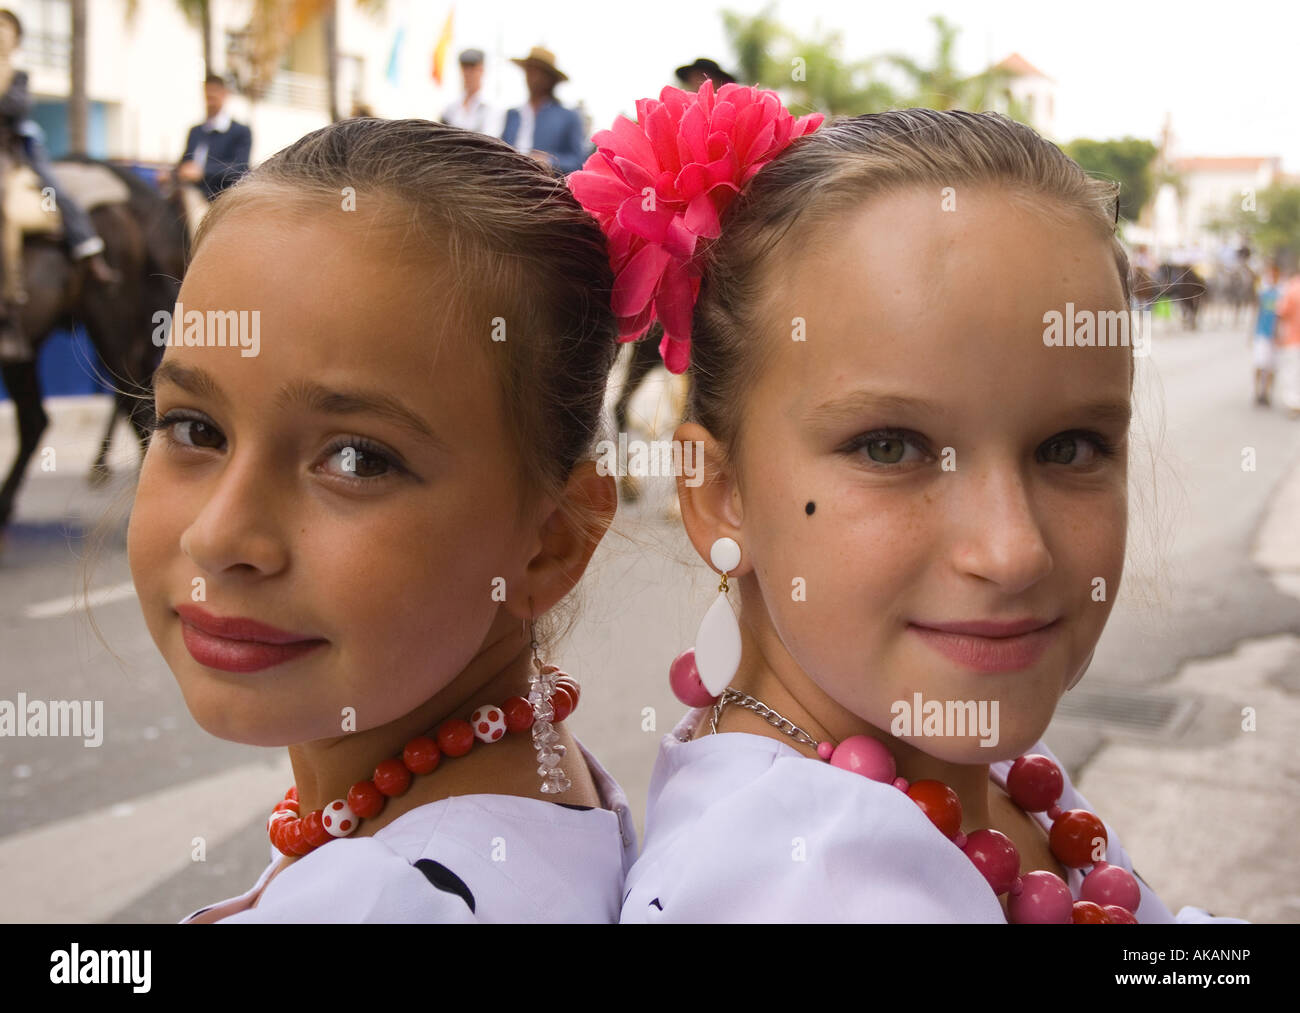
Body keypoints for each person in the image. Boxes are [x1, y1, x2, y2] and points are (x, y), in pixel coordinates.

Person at [570, 86, 1248, 923]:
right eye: (891, 446)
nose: (1012, 552)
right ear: (720, 495)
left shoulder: (952, 755)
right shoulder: (809, 882)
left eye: (1069, 446)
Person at [124, 118, 633, 921]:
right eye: (195, 429)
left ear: (552, 541)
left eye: (357, 459)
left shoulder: (384, 900)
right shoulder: (548, 809)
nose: (218, 537)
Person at [0, 7, 116, 360]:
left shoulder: (16, 76)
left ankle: (83, 245)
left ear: (16, 41)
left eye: (5, 30)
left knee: (41, 196)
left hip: (13, 156)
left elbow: (13, 109)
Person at [501, 47, 588, 173]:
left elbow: (578, 162)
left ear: (549, 79)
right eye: (529, 70)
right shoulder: (513, 115)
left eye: (537, 71)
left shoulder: (568, 117)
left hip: (546, 187)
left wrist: (548, 161)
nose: (531, 76)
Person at [173, 73, 252, 201]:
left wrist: (204, 171)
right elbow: (184, 162)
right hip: (189, 192)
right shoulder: (195, 131)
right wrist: (172, 173)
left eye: (213, 97)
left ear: (224, 95)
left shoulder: (240, 131)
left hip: (219, 198)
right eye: (207, 97)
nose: (210, 102)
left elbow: (240, 167)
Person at [440, 48, 504, 138]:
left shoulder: (492, 107)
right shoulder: (450, 107)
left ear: (481, 69)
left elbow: (490, 140)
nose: (468, 73)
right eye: (465, 67)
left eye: (473, 67)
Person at [1252, 263, 1281, 407]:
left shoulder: (1282, 294)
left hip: (1275, 336)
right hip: (1262, 333)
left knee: (1271, 366)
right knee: (1259, 363)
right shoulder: (1263, 293)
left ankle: (1267, 393)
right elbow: (1257, 312)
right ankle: (1257, 392)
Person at [1276, 265, 1300, 418]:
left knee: (1292, 371)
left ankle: (1294, 403)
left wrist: (1277, 334)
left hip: (1293, 339)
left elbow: (1281, 313)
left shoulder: (1292, 288)